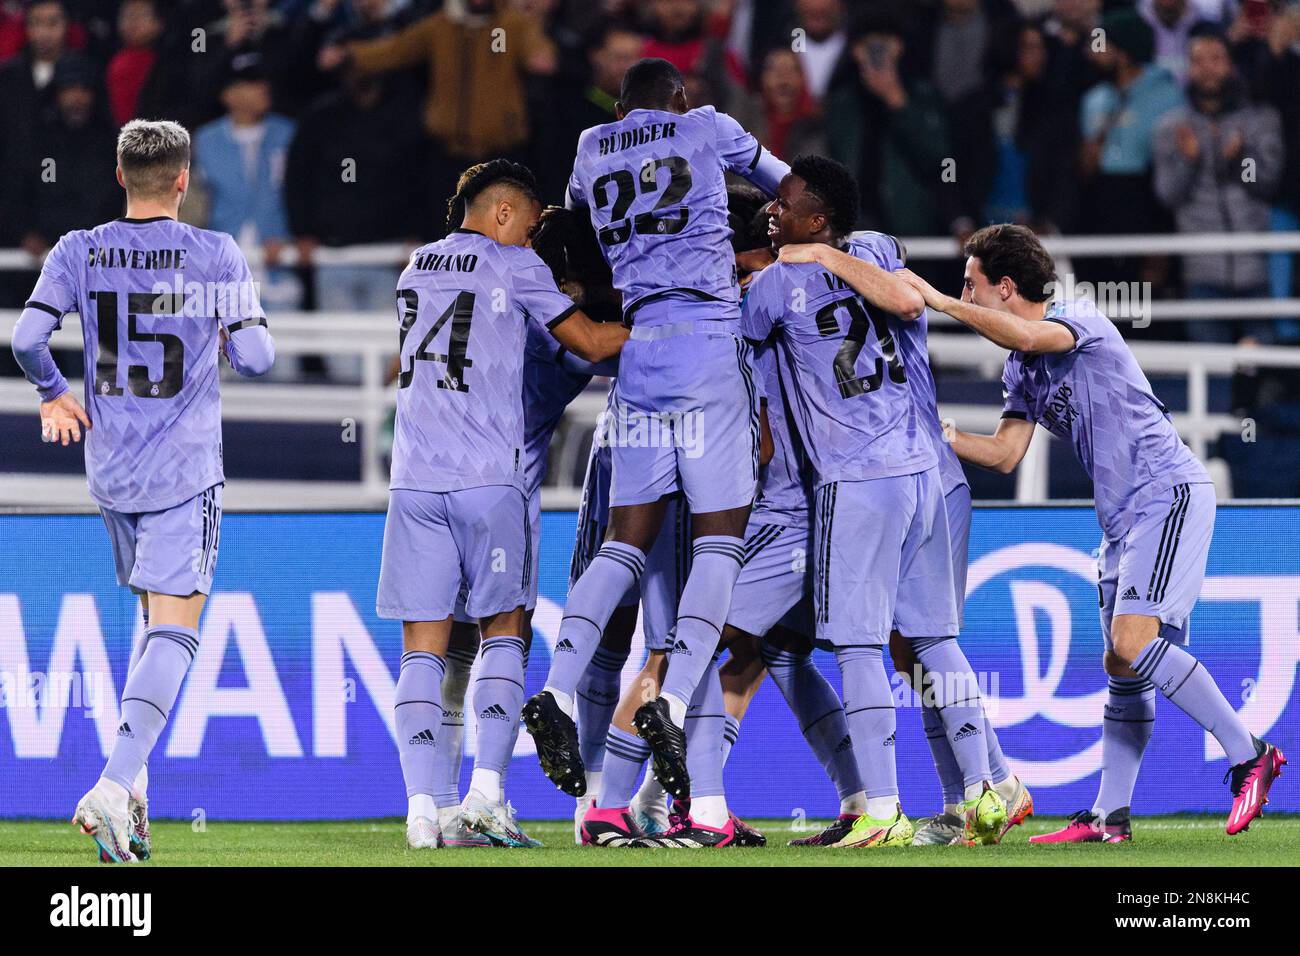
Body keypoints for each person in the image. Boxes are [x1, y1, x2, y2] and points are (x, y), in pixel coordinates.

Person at [900, 223, 1287, 841]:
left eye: (970, 286)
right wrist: (943, 437)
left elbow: (1028, 331)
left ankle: (1249, 755)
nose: (962, 294)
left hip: (1167, 493)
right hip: (1120, 520)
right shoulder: (1020, 370)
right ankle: (1110, 817)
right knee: (1120, 661)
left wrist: (939, 304)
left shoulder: (1080, 320)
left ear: (1004, 287)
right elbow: (1004, 454)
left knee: (1134, 644)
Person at [520, 57, 788, 847]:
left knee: (623, 544)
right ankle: (666, 704)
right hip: (708, 341)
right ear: (677, 97)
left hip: (637, 355)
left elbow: (574, 235)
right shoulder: (709, 127)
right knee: (719, 540)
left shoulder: (588, 146)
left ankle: (560, 691)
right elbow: (786, 189)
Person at [10, 118, 276, 862]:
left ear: (121, 175)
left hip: (111, 471)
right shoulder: (215, 253)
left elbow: (26, 341)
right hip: (184, 472)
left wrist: (55, 395)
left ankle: (132, 807)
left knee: (149, 624)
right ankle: (111, 785)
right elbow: (257, 356)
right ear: (185, 180)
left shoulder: (79, 248)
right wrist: (226, 330)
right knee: (177, 631)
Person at [741, 157, 1009, 848]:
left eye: (788, 202)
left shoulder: (774, 285)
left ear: (821, 218)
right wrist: (826, 249)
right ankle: (984, 792)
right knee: (936, 640)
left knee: (859, 645)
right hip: (924, 472)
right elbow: (900, 293)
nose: (774, 210)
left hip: (856, 482)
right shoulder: (879, 252)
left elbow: (736, 339)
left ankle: (881, 810)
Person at [375, 159, 626, 850]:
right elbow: (592, 344)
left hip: (414, 484)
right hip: (492, 480)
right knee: (503, 635)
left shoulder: (414, 267)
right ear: (508, 213)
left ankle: (423, 810)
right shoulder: (515, 269)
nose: (531, 240)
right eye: (532, 224)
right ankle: (487, 793)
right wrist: (681, 328)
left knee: (424, 654)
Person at [1153, 27, 1283, 343]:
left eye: (1217, 58)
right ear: (1188, 68)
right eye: (1198, 60)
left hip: (1256, 267)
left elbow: (1267, 182)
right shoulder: (1172, 126)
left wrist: (1241, 161)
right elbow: (1168, 194)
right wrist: (1189, 161)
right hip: (1201, 271)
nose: (1208, 68)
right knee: (1211, 380)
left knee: (1262, 376)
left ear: (1231, 64)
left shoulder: (1260, 119)